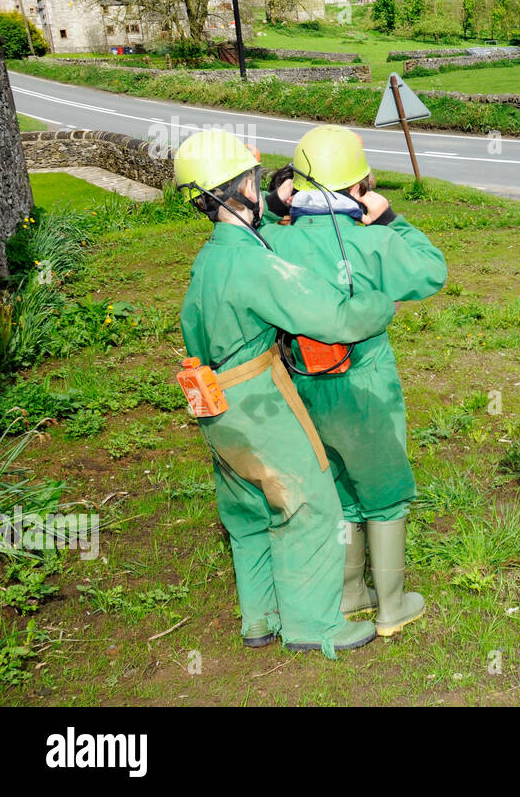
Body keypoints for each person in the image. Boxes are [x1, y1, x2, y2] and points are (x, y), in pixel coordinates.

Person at [173, 129, 395, 657]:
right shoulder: (254, 263)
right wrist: (379, 305)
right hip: (257, 401)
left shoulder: (208, 260)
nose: (258, 185)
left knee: (248, 510)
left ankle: (261, 618)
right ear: (242, 188)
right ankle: (314, 626)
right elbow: (332, 317)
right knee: (310, 504)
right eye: (253, 178)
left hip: (210, 403)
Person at [266, 124, 448, 638]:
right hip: (364, 385)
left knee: (341, 488)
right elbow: (432, 271)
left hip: (303, 382)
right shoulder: (372, 242)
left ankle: (350, 592)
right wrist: (391, 218)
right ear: (358, 187)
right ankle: (391, 605)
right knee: (385, 491)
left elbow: (249, 230)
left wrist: (280, 207)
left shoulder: (276, 239)